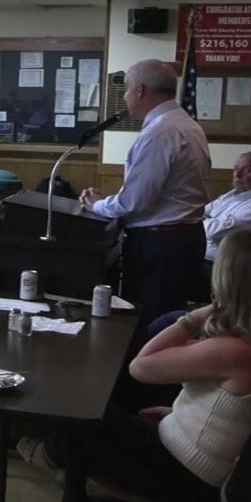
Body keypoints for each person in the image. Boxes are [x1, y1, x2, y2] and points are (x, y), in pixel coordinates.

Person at [21, 231, 251, 502]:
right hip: (192, 461)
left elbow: (141, 366)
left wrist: (195, 317)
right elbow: (233, 410)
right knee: (89, 421)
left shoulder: (236, 349)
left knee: (80, 421)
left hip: (185, 478)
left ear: (229, 284)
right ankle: (60, 469)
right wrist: (175, 416)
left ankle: (53, 456)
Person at [80, 59, 211, 329]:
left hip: (161, 244)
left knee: (148, 323)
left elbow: (136, 201)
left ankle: (141, 371)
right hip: (181, 239)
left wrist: (98, 205)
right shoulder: (185, 123)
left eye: (127, 89)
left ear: (140, 90)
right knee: (167, 320)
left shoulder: (160, 132)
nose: (126, 96)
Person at [194, 151, 251, 300]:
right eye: (235, 169)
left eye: (247, 170)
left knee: (170, 272)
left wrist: (204, 221)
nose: (237, 174)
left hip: (229, 269)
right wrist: (205, 220)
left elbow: (212, 231)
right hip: (203, 259)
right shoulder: (232, 195)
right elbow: (198, 213)